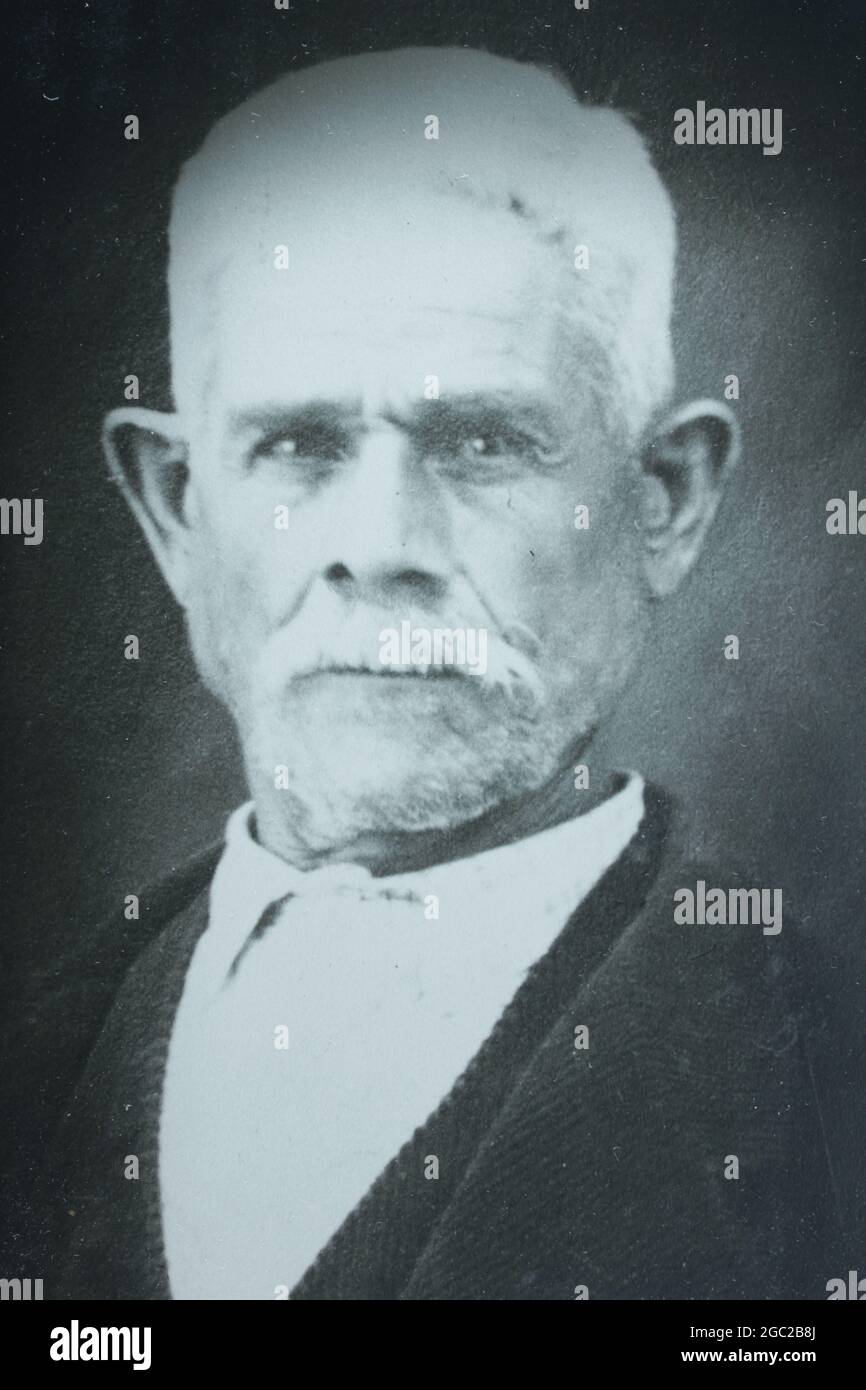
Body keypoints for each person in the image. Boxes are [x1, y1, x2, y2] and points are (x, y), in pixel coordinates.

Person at [8, 46, 843, 1299]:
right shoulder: (34, 1058)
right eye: (297, 445)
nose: (382, 549)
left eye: (483, 442)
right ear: (177, 512)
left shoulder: (826, 1074)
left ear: (662, 500)